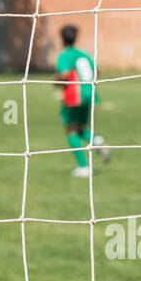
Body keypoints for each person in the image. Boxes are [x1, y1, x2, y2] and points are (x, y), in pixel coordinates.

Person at [52, 25, 110, 178]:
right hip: (90, 94)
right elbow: (98, 70)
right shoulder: (84, 54)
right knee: (79, 128)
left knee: (71, 130)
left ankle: (84, 167)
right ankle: (96, 140)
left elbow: (64, 75)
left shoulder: (64, 55)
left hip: (74, 96)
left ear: (61, 38)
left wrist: (55, 80)